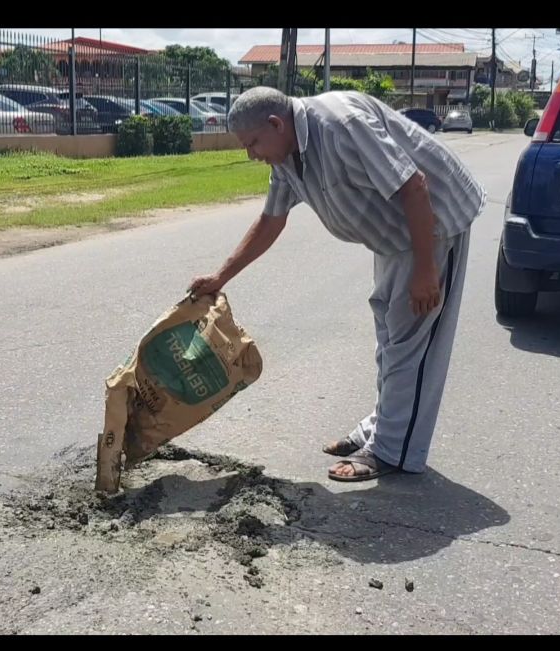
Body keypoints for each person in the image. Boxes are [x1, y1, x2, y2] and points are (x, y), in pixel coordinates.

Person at [189, 86, 486, 482]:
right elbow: (271, 220)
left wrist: (426, 269)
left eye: (253, 143)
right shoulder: (286, 153)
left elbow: (413, 186)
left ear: (276, 124)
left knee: (410, 342)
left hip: (433, 228)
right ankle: (380, 429)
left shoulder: (341, 125)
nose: (251, 155)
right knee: (390, 336)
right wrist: (220, 277)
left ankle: (392, 450)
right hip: (395, 236)